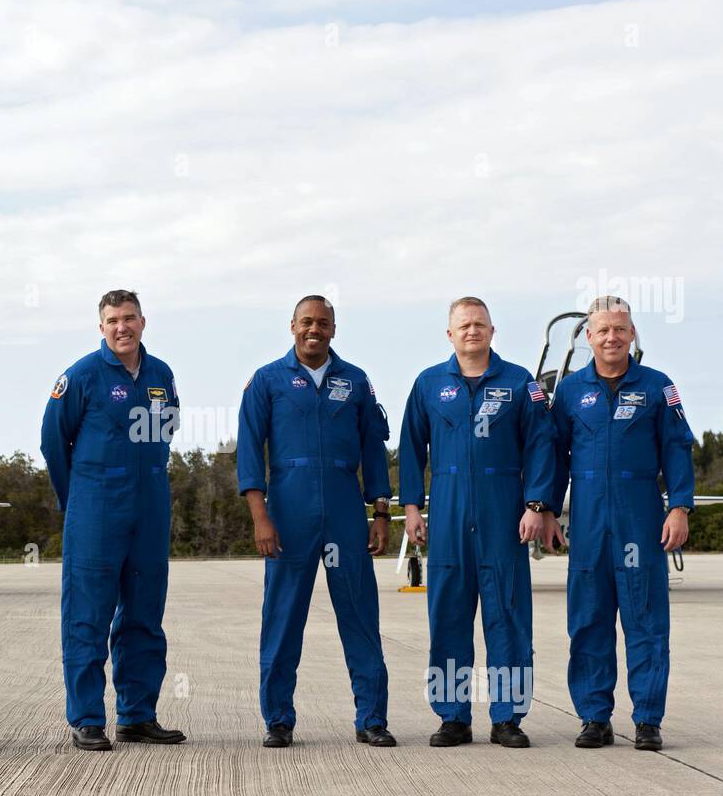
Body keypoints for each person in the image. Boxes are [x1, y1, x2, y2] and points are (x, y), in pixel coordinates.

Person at [237, 295, 394, 748]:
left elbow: (373, 450)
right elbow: (249, 450)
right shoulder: (267, 380)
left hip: (345, 507)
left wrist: (380, 511)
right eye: (306, 322)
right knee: (283, 617)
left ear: (333, 329)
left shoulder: (356, 381)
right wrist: (260, 516)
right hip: (288, 508)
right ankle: (279, 719)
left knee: (360, 614)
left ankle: (371, 718)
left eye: (323, 323)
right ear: (292, 326)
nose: (314, 330)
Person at [398, 297, 555, 749]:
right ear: (450, 334)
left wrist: (537, 505)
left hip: (503, 512)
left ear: (492, 330)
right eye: (463, 325)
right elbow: (411, 449)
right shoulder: (429, 384)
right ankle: (453, 717)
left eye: (479, 324)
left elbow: (541, 444)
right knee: (448, 616)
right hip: (447, 512)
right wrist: (412, 508)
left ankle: (508, 718)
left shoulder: (519, 382)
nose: (472, 331)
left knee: (507, 617)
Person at [545, 296, 694, 751]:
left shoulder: (657, 387)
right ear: (589, 337)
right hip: (588, 520)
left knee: (647, 621)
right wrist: (548, 509)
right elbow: (553, 454)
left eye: (620, 329)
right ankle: (595, 717)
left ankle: (648, 719)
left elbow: (677, 448)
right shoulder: (570, 391)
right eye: (602, 330)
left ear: (631, 335)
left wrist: (680, 507)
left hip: (640, 516)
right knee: (588, 621)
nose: (611, 337)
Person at [41, 289, 186, 751]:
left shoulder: (161, 374)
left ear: (144, 322)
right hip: (96, 507)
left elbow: (166, 433)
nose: (121, 327)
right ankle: (87, 717)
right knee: (88, 614)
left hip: (149, 505)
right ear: (100, 327)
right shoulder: (81, 375)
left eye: (129, 319)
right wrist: (79, 498)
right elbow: (52, 442)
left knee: (144, 613)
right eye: (112, 321)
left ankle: (137, 714)